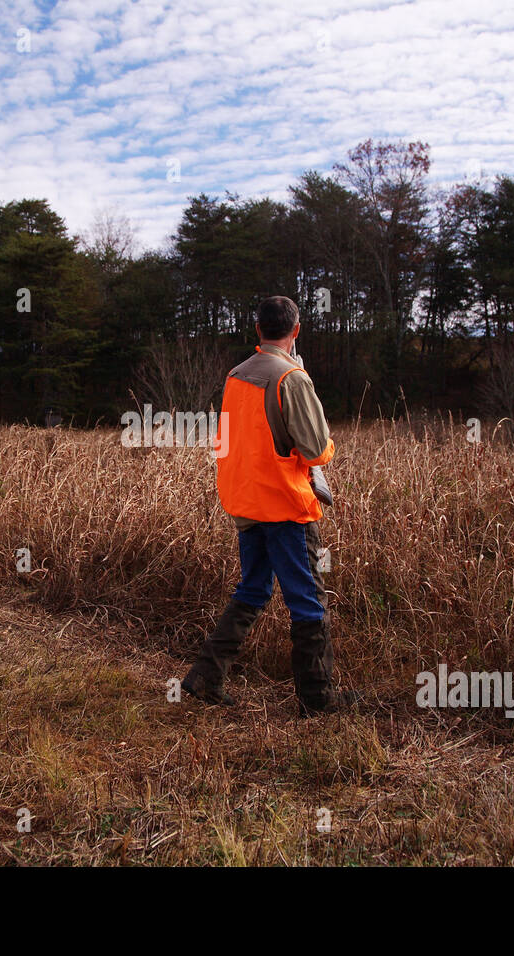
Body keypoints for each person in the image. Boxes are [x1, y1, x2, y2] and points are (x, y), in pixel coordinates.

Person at [181, 296, 353, 717]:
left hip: (245, 502)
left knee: (255, 588)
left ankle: (205, 678)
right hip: (283, 506)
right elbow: (316, 451)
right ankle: (319, 700)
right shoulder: (291, 378)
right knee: (308, 599)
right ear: (295, 331)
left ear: (258, 330)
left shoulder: (236, 375)